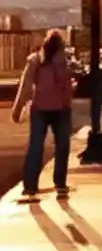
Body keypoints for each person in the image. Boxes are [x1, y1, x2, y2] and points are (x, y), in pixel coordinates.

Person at [10, 30, 75, 202]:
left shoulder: (35, 61)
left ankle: (30, 186)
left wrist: (17, 109)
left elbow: (26, 87)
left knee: (35, 147)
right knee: (62, 146)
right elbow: (69, 88)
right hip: (61, 109)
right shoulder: (64, 63)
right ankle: (60, 183)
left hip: (40, 108)